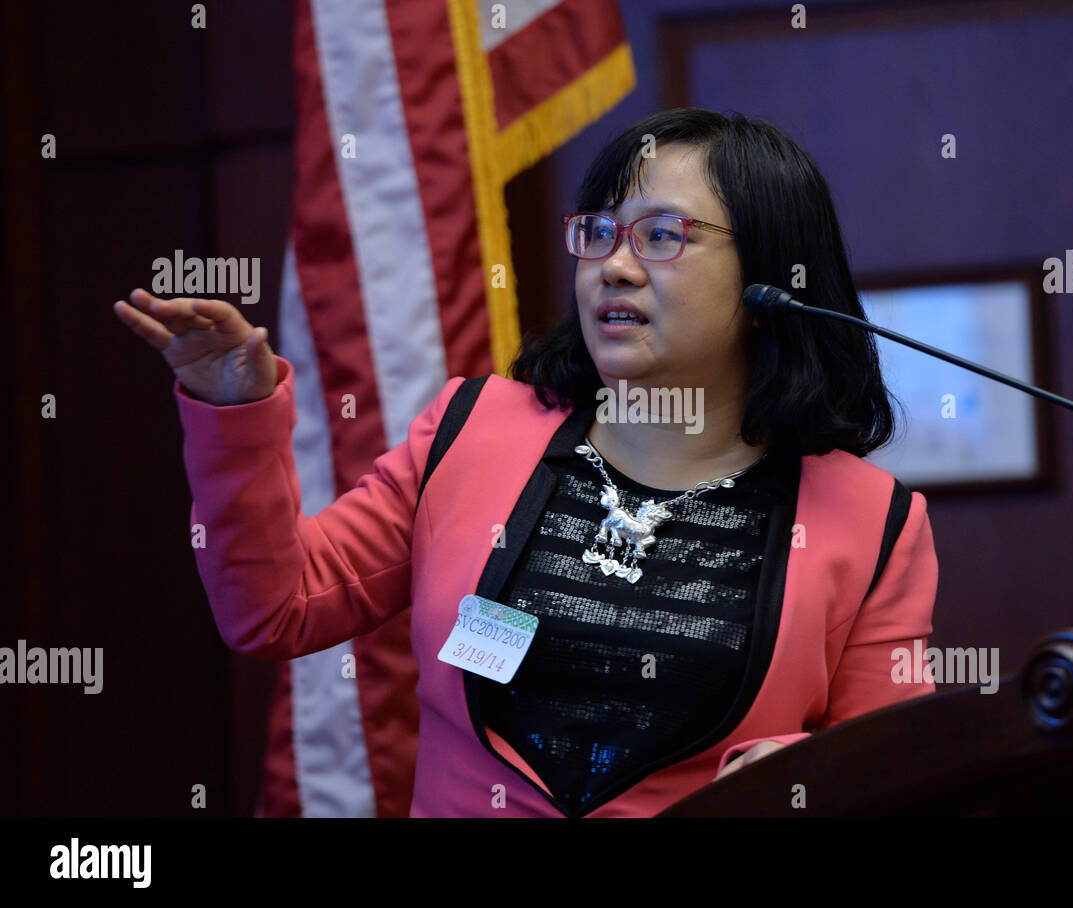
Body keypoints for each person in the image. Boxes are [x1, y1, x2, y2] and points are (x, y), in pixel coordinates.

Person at [112, 107, 938, 818]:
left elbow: (901, 781)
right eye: (599, 233)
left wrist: (804, 778)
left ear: (768, 285)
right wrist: (234, 411)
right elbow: (276, 607)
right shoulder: (476, 432)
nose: (613, 264)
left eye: (660, 236)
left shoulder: (871, 521)